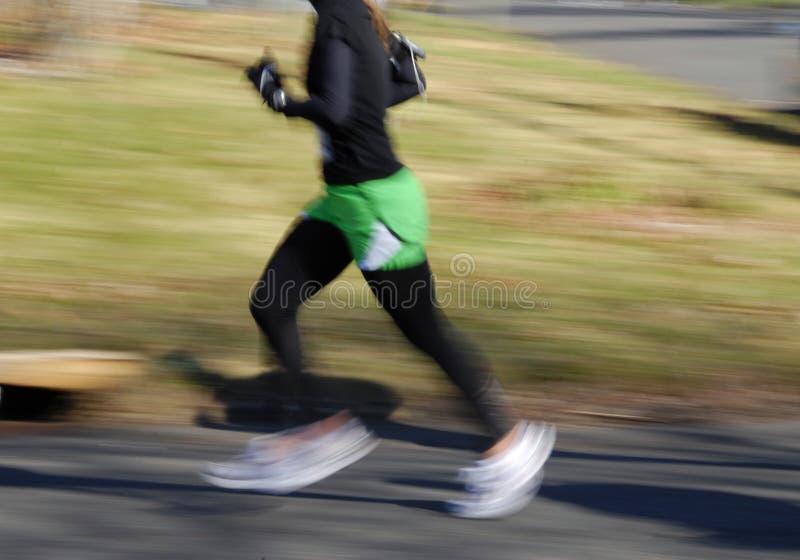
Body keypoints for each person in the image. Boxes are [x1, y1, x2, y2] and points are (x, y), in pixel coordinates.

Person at [201, 0, 555, 519]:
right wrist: (406, 71)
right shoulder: (348, 17)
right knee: (271, 303)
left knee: (424, 330)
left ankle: (510, 445)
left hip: (378, 211)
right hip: (345, 203)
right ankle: (315, 431)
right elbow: (387, 95)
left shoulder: (342, 19)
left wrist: (278, 99)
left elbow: (338, 108)